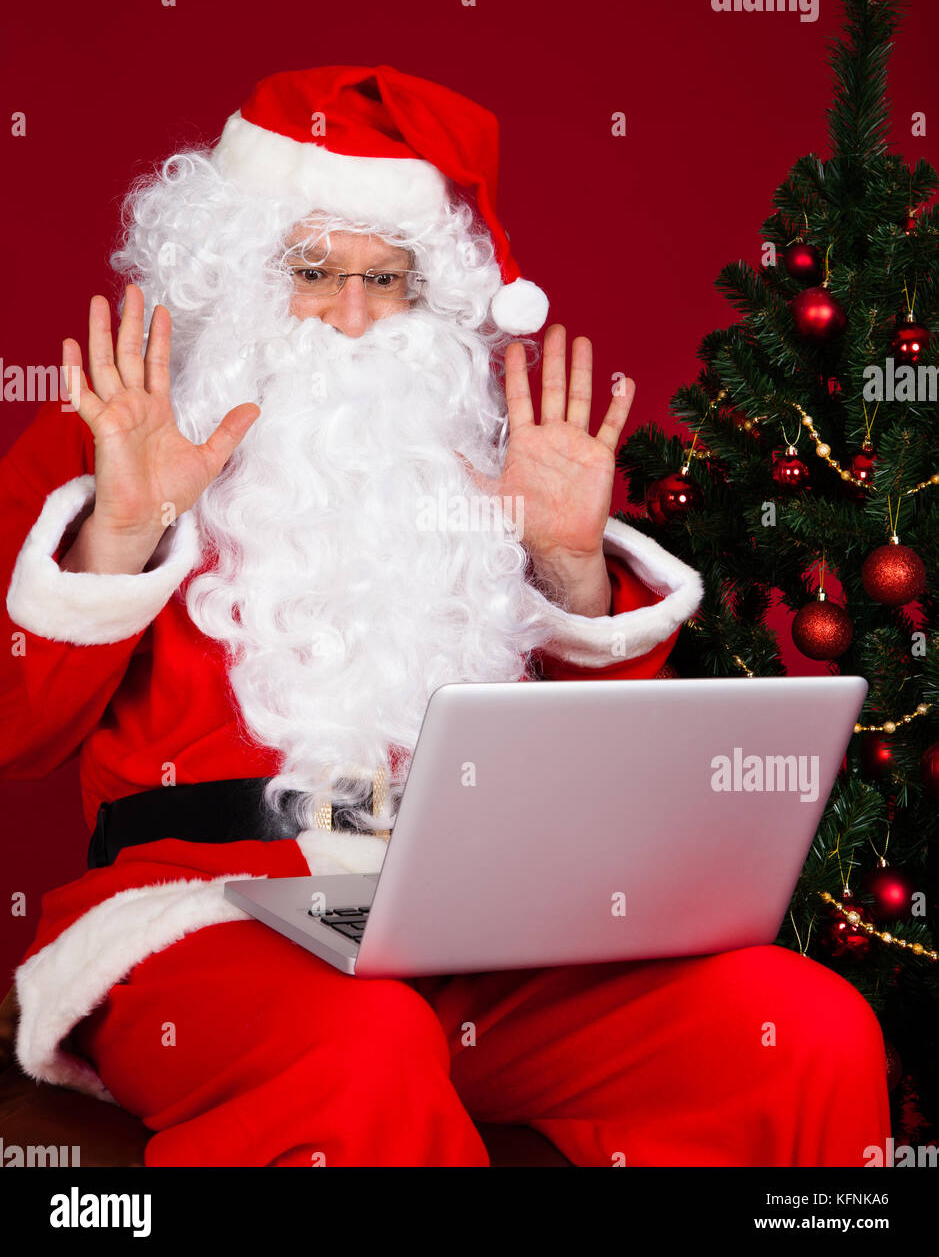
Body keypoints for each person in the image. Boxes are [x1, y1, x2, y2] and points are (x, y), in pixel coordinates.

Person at [1, 64, 890, 1167]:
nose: (360, 315)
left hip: (478, 941)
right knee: (364, 1044)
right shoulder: (113, 444)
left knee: (801, 1030)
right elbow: (17, 727)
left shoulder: (482, 468)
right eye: (316, 271)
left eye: (395, 280)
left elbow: (600, 774)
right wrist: (122, 534)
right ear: (230, 273)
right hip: (204, 922)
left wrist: (567, 564)